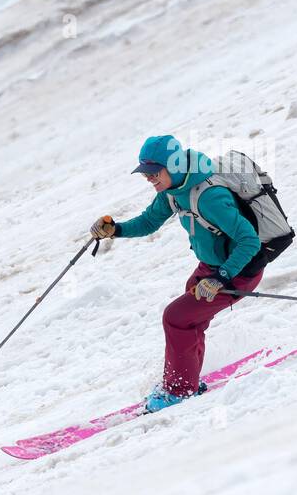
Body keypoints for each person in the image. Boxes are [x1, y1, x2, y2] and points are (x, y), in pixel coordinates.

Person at [90, 134, 263, 412]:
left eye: (153, 172)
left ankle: (179, 390)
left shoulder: (209, 196)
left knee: (176, 317)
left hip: (238, 271)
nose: (148, 178)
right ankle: (187, 382)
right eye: (145, 173)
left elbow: (250, 241)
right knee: (188, 322)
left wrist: (221, 278)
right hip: (211, 267)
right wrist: (117, 229)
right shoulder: (172, 192)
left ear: (173, 165)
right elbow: (149, 221)